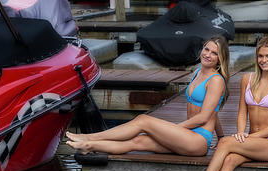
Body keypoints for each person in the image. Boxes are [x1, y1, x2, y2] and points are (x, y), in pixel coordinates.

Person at [66, 36, 229, 156]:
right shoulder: (197, 73)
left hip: (197, 140)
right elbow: (214, 111)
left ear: (220, 59)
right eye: (206, 49)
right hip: (186, 136)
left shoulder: (216, 80)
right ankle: (89, 145)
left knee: (143, 121)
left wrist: (174, 129)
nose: (207, 54)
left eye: (214, 53)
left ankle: (88, 136)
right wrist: (221, 136)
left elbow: (204, 117)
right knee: (138, 141)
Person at [196, 37, 268, 171]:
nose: (264, 60)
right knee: (229, 160)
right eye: (260, 56)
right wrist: (241, 133)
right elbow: (242, 112)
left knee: (225, 142)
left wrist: (249, 138)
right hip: (251, 141)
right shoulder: (247, 79)